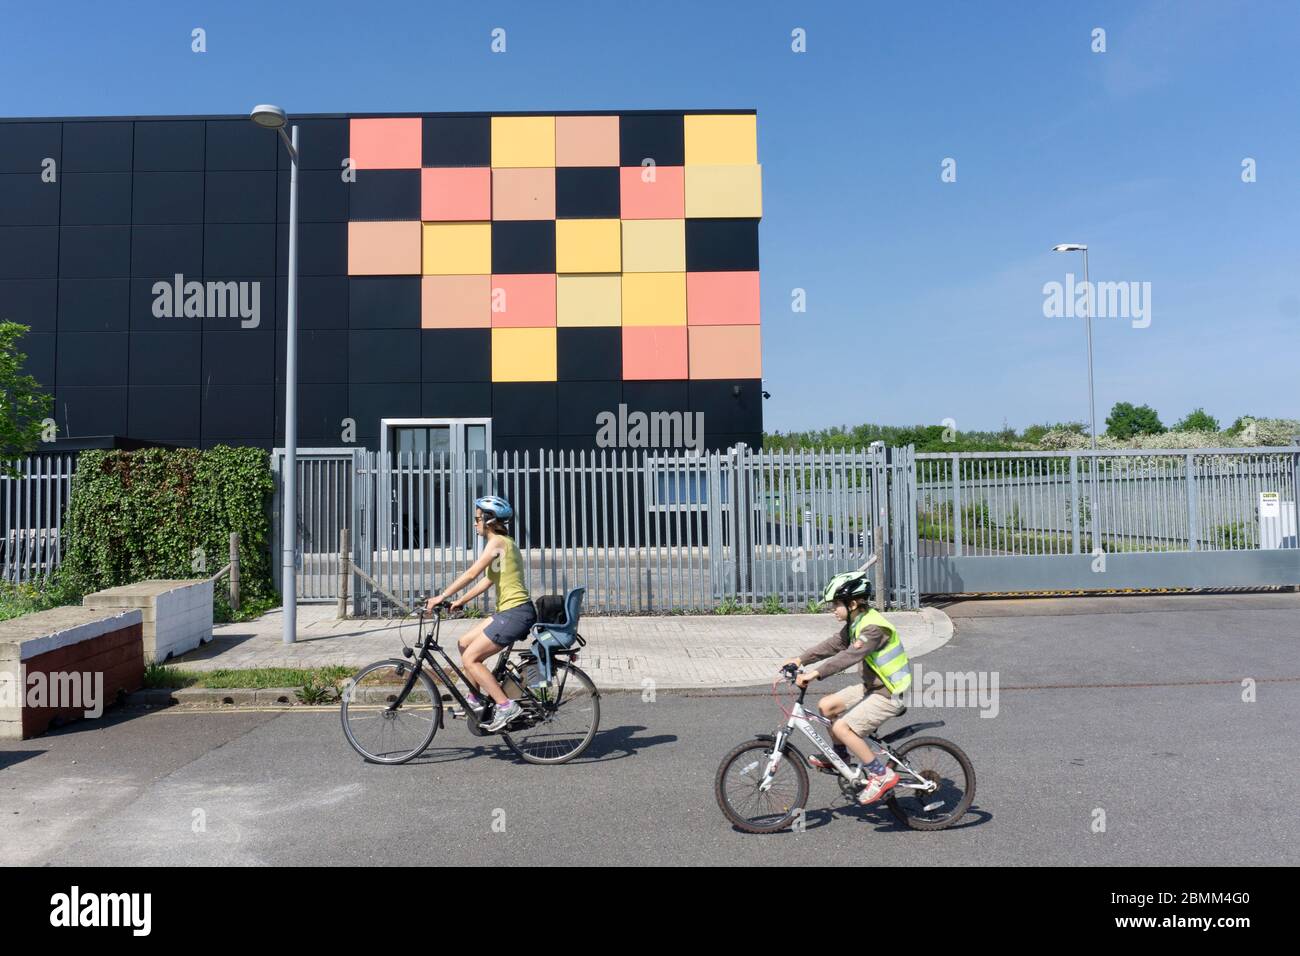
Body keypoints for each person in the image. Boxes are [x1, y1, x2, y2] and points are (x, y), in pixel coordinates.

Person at [782, 571, 913, 805]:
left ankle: (880, 775)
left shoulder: (873, 628)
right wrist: (800, 660)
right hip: (871, 687)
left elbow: (849, 656)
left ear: (852, 603)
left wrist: (815, 673)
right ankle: (840, 757)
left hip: (888, 693)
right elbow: (834, 645)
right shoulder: (857, 622)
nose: (833, 609)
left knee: (843, 728)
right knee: (827, 706)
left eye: (836, 605)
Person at [425, 495, 536, 732]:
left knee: (470, 659)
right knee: (464, 643)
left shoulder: (496, 542)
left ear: (488, 519)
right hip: (510, 611)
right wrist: (460, 601)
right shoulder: (504, 543)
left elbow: (472, 574)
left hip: (515, 613)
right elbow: (488, 580)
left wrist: (440, 597)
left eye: (477, 518)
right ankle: (474, 701)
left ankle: (506, 706)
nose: (474, 523)